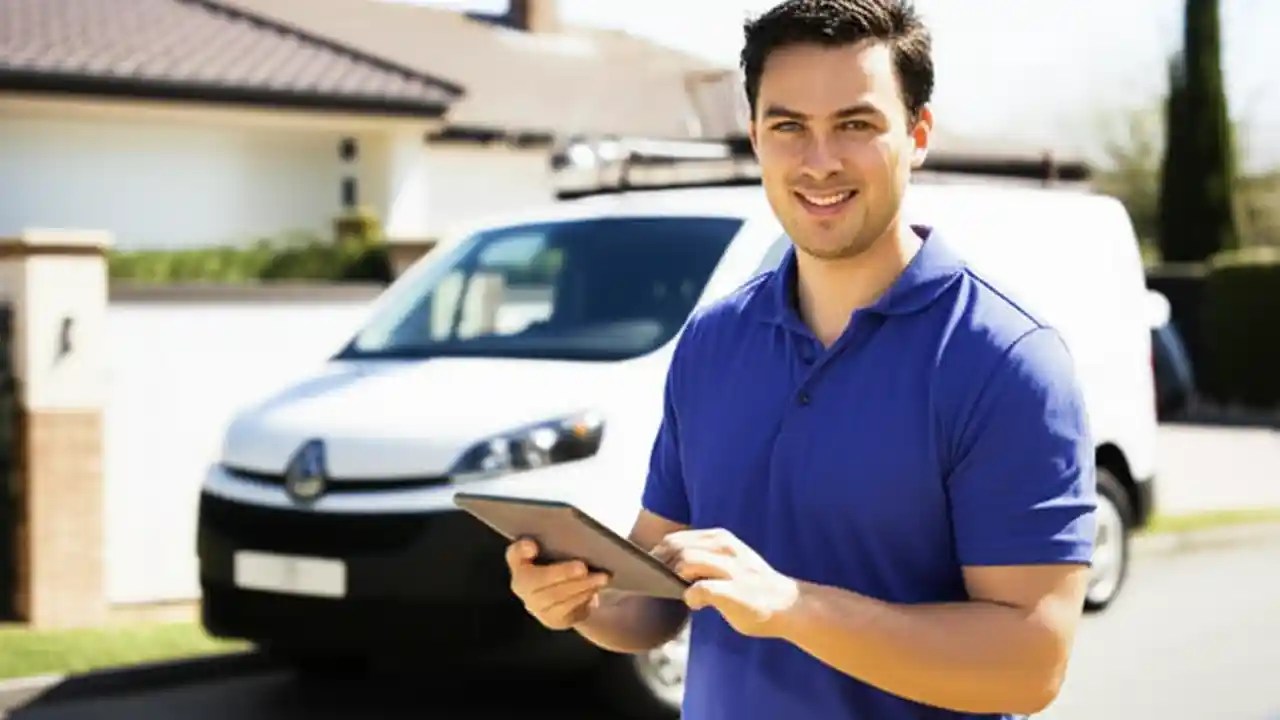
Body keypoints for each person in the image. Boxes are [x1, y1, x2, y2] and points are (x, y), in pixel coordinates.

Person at [504, 0, 1097, 718]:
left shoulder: (1005, 361)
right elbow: (656, 601)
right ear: (756, 137)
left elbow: (1029, 666)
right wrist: (581, 601)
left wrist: (790, 605)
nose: (820, 162)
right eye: (789, 127)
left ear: (918, 134)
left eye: (855, 124)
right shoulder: (713, 342)